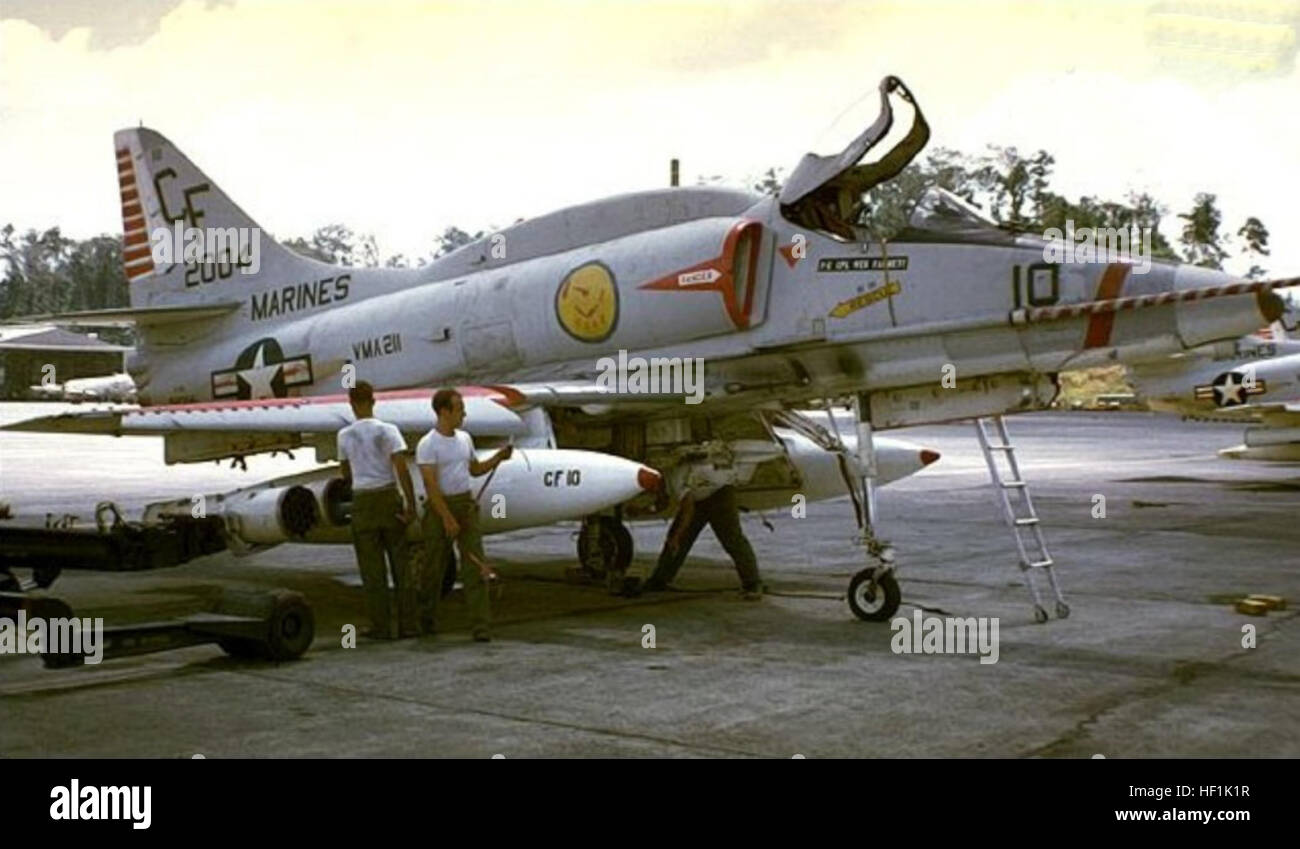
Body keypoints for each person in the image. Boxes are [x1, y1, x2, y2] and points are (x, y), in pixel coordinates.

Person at [416, 388, 513, 642]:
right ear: (444, 411)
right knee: (433, 568)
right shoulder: (427, 445)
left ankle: (481, 626)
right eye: (459, 408)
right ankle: (426, 618)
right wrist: (446, 517)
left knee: (475, 566)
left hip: (465, 505)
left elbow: (475, 469)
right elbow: (430, 485)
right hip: (439, 508)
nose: (464, 413)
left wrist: (498, 458)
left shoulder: (465, 439)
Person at [336, 381, 419, 639]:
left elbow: (346, 472)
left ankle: (381, 627)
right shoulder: (389, 431)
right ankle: (409, 626)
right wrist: (411, 504)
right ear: (373, 401)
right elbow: (401, 468)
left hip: (363, 500)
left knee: (372, 571)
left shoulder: (344, 436)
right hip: (387, 496)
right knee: (401, 566)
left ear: (351, 404)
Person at [642, 467, 762, 599]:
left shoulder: (674, 480)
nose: (652, 492)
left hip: (718, 495)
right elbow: (662, 503)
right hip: (699, 498)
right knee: (677, 538)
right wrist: (642, 510)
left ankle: (752, 582)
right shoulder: (664, 482)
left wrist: (677, 537)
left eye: (651, 489)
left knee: (731, 538)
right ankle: (660, 579)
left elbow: (688, 509)